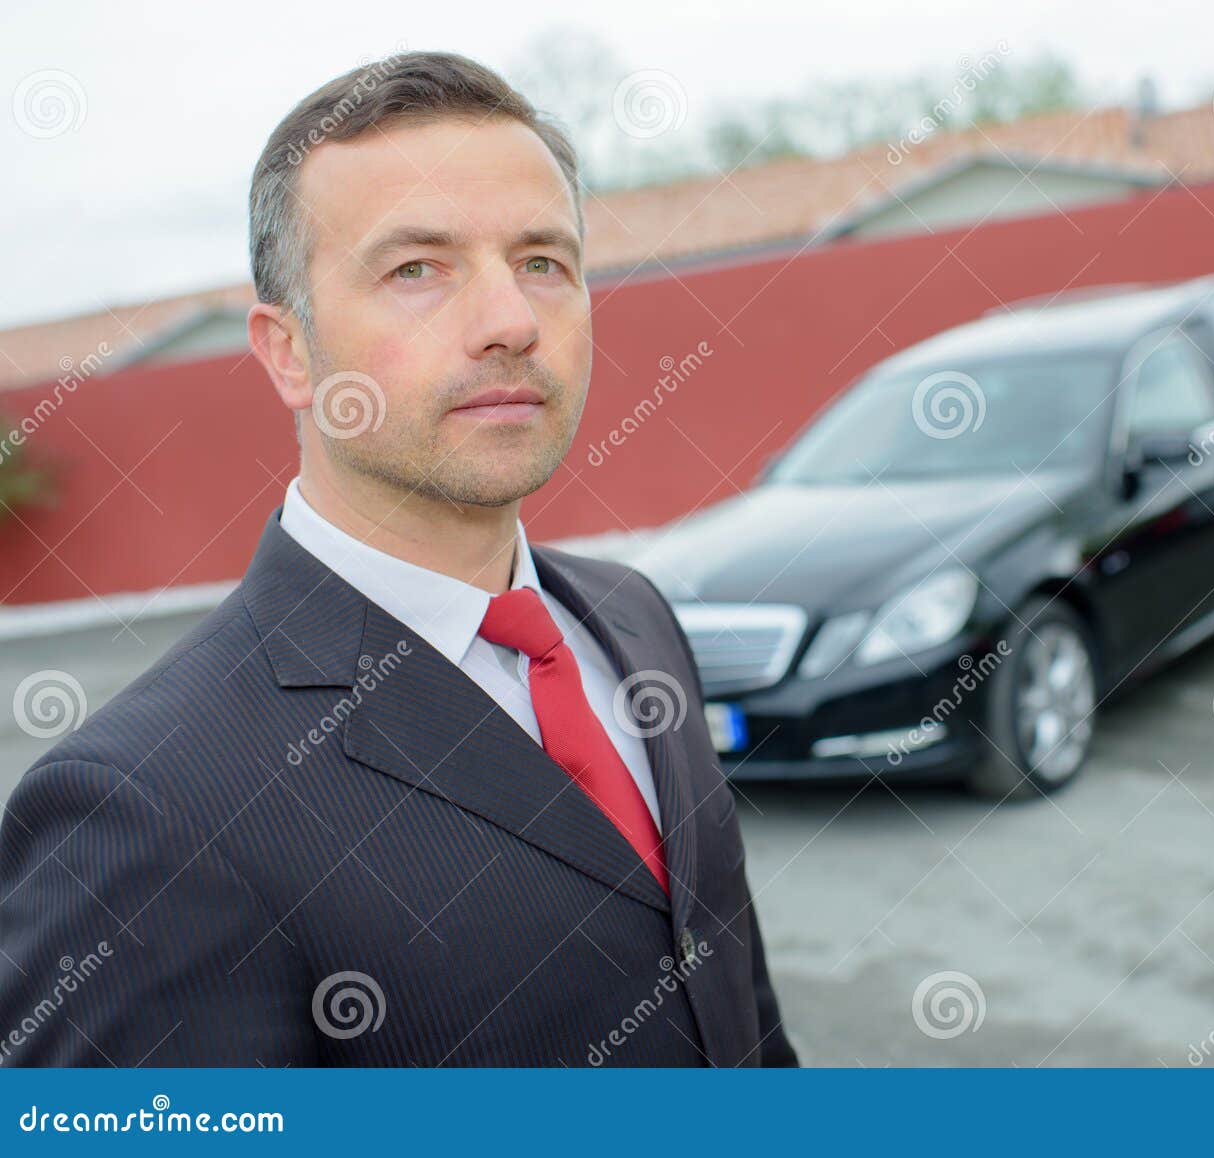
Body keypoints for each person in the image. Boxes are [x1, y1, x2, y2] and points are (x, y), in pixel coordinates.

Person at [0, 51, 798, 1068]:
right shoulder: (144, 808)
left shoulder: (632, 618)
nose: (511, 321)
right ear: (288, 353)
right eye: (416, 268)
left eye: (543, 261)